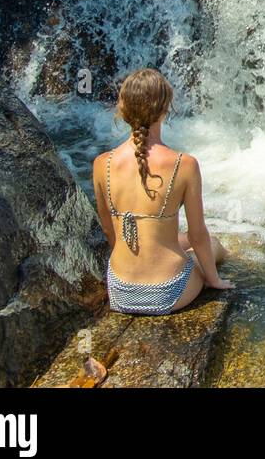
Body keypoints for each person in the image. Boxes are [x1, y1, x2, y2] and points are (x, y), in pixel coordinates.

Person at [91, 68, 233, 315]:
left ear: (122, 109)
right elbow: (198, 235)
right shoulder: (184, 164)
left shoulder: (101, 163)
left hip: (120, 290)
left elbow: (109, 231)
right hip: (167, 291)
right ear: (165, 109)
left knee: (177, 240)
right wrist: (214, 281)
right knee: (212, 244)